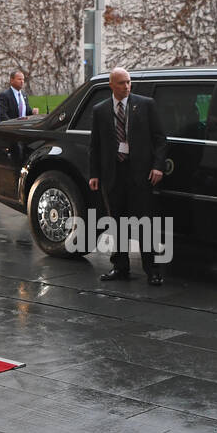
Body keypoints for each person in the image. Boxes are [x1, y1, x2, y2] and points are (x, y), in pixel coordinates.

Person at [87, 67, 167, 286]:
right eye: (122, 83)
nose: (127, 86)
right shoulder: (100, 110)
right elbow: (95, 145)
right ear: (111, 85)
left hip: (140, 173)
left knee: (144, 223)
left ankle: (152, 270)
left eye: (129, 82)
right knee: (117, 222)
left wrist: (157, 166)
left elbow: (160, 138)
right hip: (113, 175)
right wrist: (94, 174)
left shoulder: (145, 104)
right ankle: (120, 266)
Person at [0, 70, 39, 196]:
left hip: (20, 134)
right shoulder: (5, 95)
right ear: (11, 80)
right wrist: (13, 126)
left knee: (20, 159)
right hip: (7, 134)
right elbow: (2, 115)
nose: (22, 81)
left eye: (23, 79)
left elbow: (25, 113)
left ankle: (18, 189)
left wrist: (32, 112)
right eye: (19, 79)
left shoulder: (23, 95)